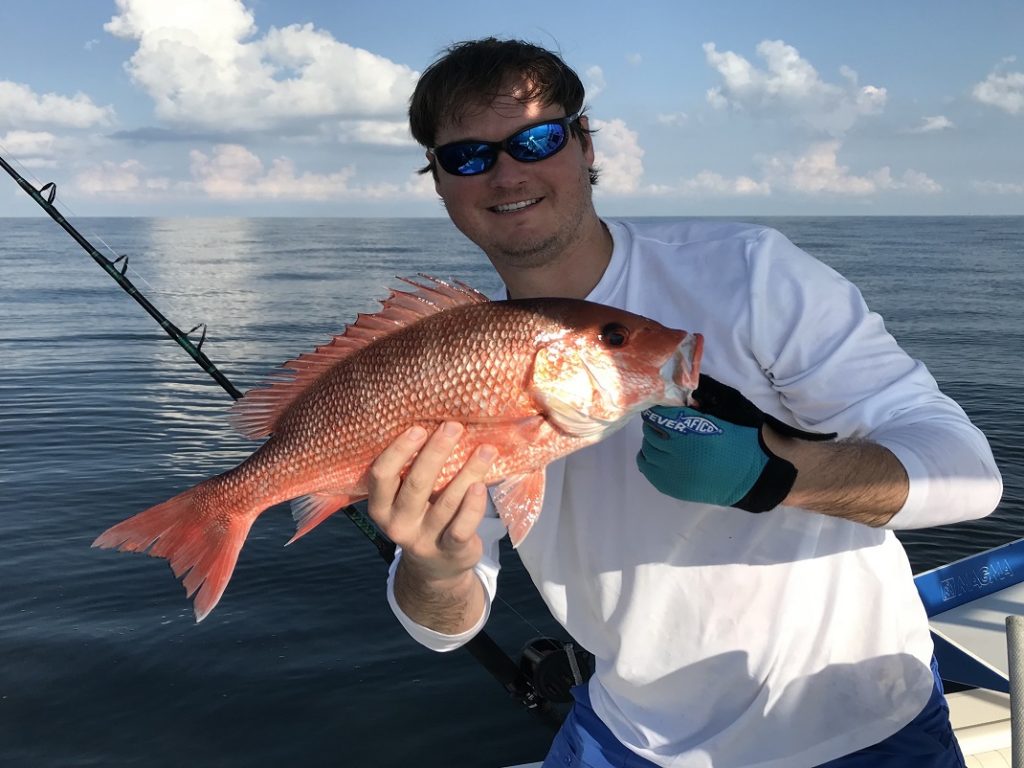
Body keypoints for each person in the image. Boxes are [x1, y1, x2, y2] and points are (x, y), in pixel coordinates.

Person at [365, 37, 1003, 768]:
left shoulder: (748, 274)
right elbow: (443, 627)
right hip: (628, 739)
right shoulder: (456, 360)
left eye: (536, 139)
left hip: (865, 730)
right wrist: (437, 569)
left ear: (585, 144)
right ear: (440, 182)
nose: (507, 171)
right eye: (468, 156)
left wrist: (777, 474)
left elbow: (970, 473)